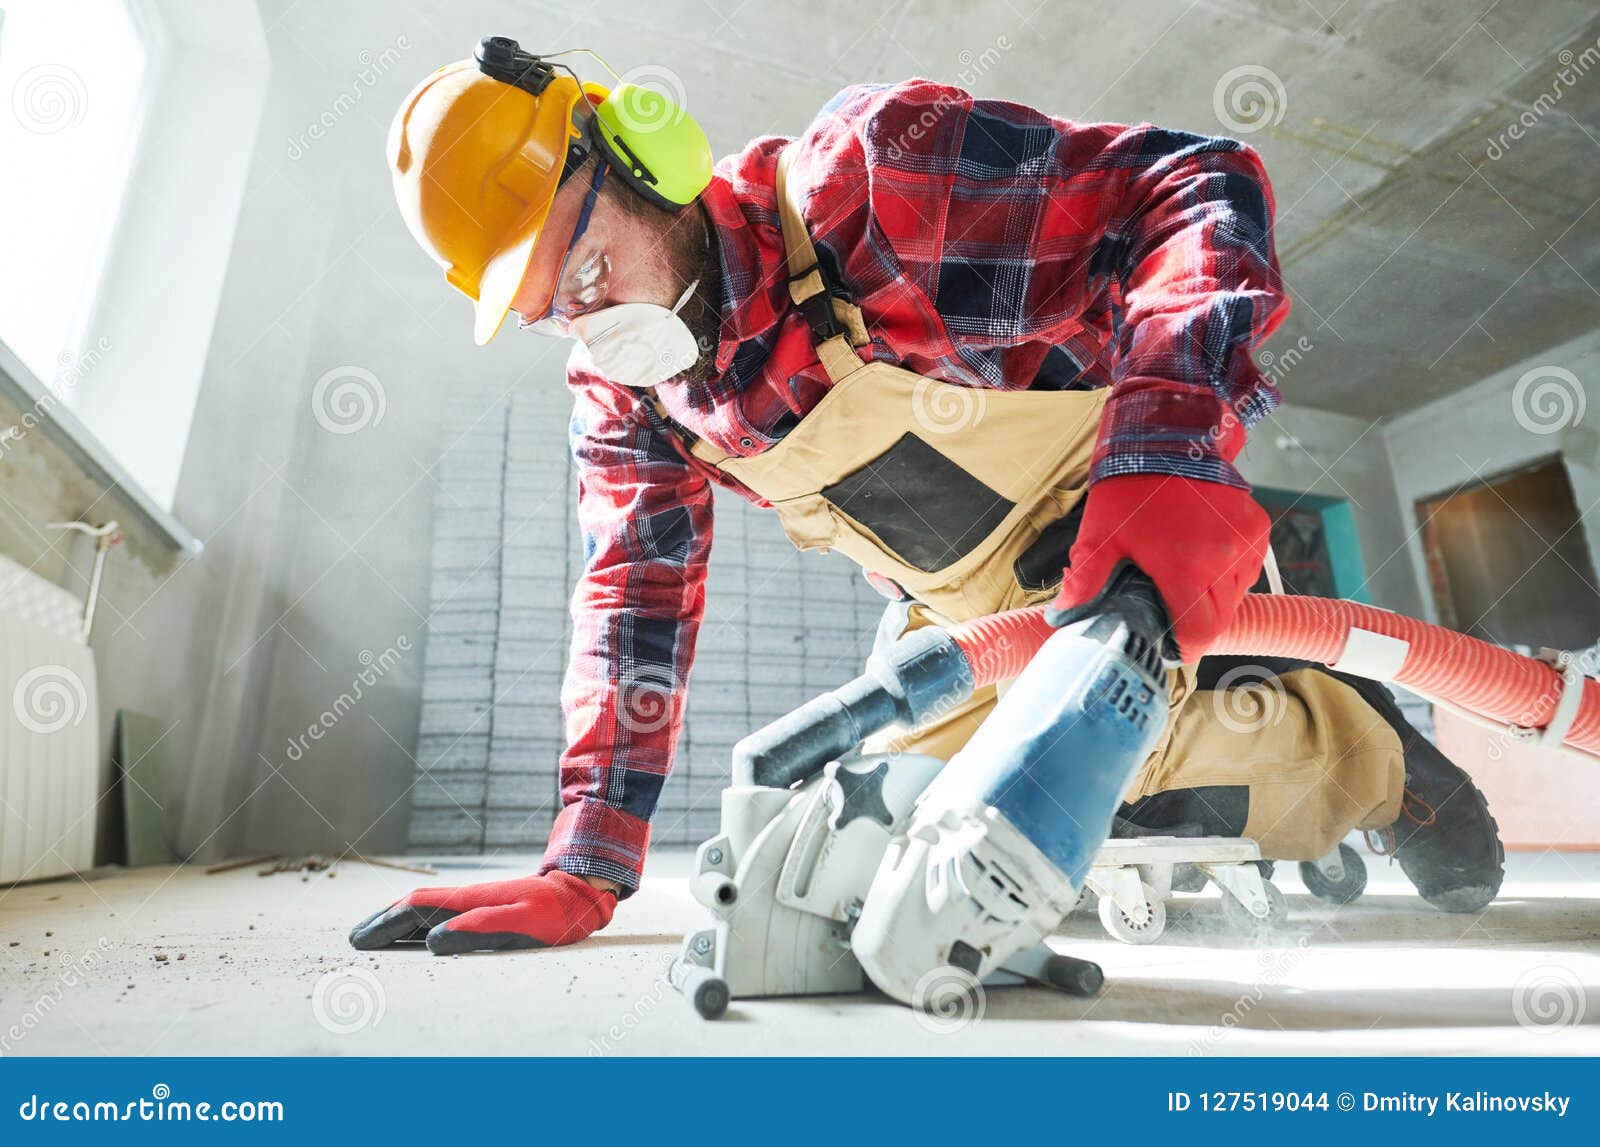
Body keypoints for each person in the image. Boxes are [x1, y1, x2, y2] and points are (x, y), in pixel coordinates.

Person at [350, 39, 1502, 956]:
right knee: (895, 824)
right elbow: (632, 611)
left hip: (1115, 522)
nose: (595, 326)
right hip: (950, 606)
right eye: (554, 307)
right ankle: (1263, 708)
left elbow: (1193, 183)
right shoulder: (629, 395)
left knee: (1094, 774)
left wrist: (1170, 442)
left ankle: (1375, 758)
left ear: (647, 158)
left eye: (590, 269)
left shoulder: (865, 186)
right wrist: (585, 864)